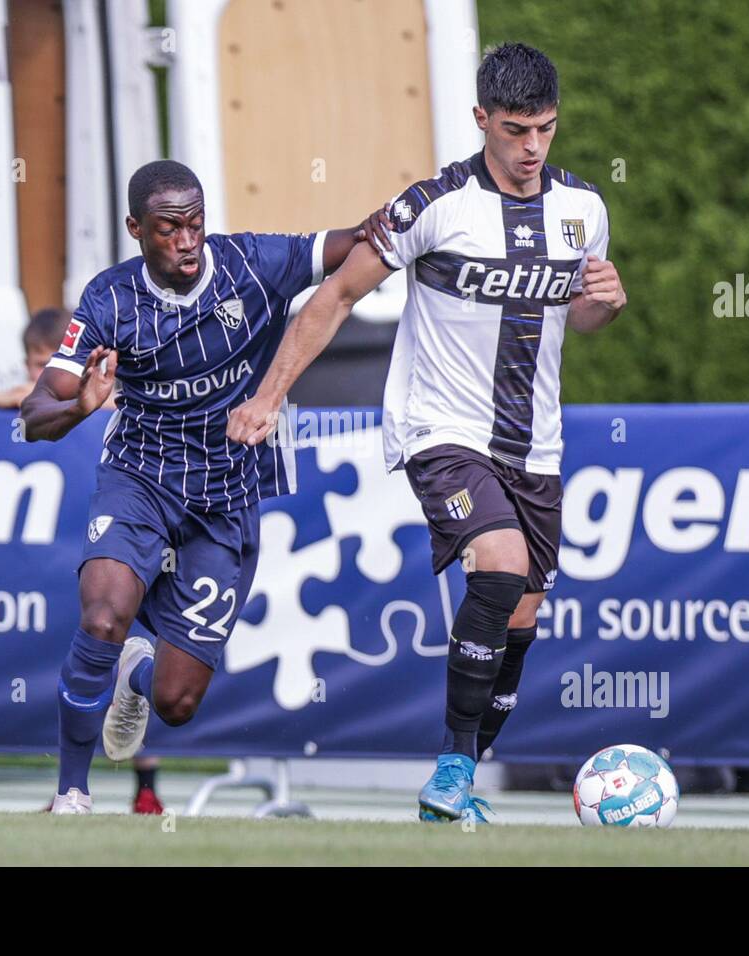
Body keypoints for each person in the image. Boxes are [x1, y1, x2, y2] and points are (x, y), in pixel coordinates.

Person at [228, 43, 627, 823]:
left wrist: (603, 305)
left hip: (534, 443)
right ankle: (448, 769)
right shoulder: (431, 205)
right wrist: (268, 396)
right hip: (439, 426)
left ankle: (459, 783)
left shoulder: (583, 210)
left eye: (545, 128)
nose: (533, 147)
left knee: (521, 622)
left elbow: (579, 316)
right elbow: (336, 296)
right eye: (515, 130)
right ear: (482, 120)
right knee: (501, 564)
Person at [20, 159, 373, 815]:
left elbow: (359, 239)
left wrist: (418, 216)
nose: (186, 242)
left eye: (195, 225)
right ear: (136, 229)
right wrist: (78, 408)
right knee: (103, 614)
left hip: (226, 500)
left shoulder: (254, 265)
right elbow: (35, 416)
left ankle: (137, 673)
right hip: (140, 480)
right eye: (168, 229)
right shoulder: (108, 300)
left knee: (177, 704)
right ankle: (71, 791)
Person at [0, 307, 166, 812]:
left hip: (131, 539)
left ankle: (146, 788)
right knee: (88, 665)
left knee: (142, 659)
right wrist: (10, 398)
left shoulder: (114, 402)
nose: (36, 377)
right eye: (30, 366)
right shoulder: (40, 407)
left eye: (44, 364)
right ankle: (71, 788)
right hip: (78, 554)